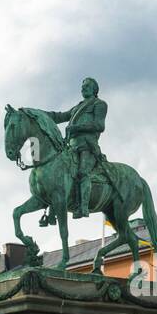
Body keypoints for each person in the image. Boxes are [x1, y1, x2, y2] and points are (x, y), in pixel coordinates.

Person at [46, 76, 107, 219]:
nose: (83, 88)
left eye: (86, 86)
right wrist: (39, 114)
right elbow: (60, 116)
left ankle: (83, 207)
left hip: (87, 146)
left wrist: (76, 127)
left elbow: (99, 126)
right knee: (57, 173)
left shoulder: (99, 104)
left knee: (82, 173)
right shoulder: (77, 107)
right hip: (71, 147)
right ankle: (52, 210)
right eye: (82, 86)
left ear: (94, 89)